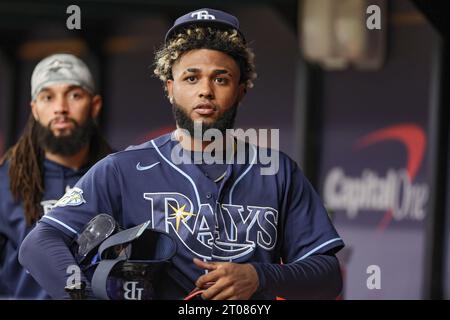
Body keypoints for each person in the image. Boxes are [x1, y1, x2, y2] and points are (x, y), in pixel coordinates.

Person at [19, 9, 344, 300]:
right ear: (169, 87)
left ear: (242, 90)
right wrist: (85, 296)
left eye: (221, 78)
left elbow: (327, 276)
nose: (205, 90)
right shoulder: (122, 169)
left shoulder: (278, 172)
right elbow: (39, 244)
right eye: (191, 77)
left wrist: (259, 277)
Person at [0, 53, 112, 299]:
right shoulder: (5, 182)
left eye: (74, 95)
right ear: (35, 109)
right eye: (47, 97)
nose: (60, 108)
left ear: (94, 105)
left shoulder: (116, 176)